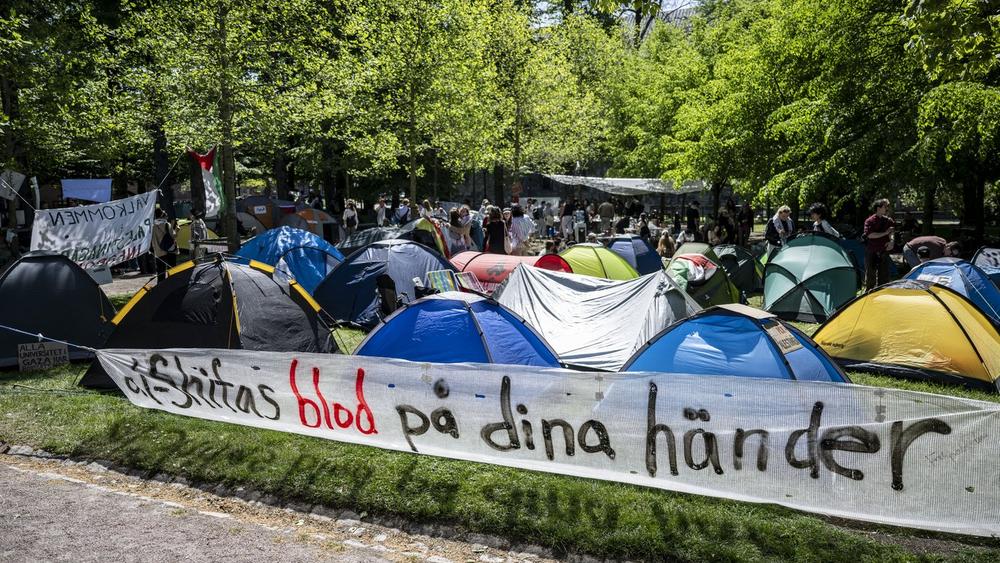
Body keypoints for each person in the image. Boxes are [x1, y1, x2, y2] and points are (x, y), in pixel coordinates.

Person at [862, 198, 895, 291]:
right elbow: (870, 235)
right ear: (878, 208)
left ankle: (882, 293)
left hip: (884, 251)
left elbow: (891, 232)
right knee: (870, 276)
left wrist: (892, 241)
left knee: (884, 276)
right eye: (885, 206)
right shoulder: (869, 221)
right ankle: (869, 294)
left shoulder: (889, 220)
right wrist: (885, 233)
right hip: (872, 250)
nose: (887, 209)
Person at [152, 207, 178, 282]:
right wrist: (176, 230)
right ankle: (172, 284)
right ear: (161, 215)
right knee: (172, 270)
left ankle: (160, 288)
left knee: (160, 273)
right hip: (169, 251)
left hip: (158, 252)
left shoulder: (152, 226)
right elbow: (173, 236)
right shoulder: (166, 224)